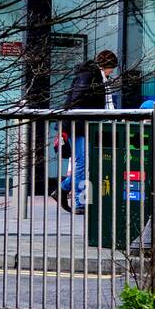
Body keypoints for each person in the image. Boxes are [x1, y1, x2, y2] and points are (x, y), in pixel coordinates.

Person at [56, 50, 119, 213]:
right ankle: (80, 202)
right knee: (82, 163)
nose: (112, 71)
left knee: (87, 164)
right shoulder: (90, 76)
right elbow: (78, 100)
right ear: (107, 65)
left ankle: (63, 189)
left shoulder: (98, 77)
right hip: (79, 126)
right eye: (112, 68)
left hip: (85, 126)